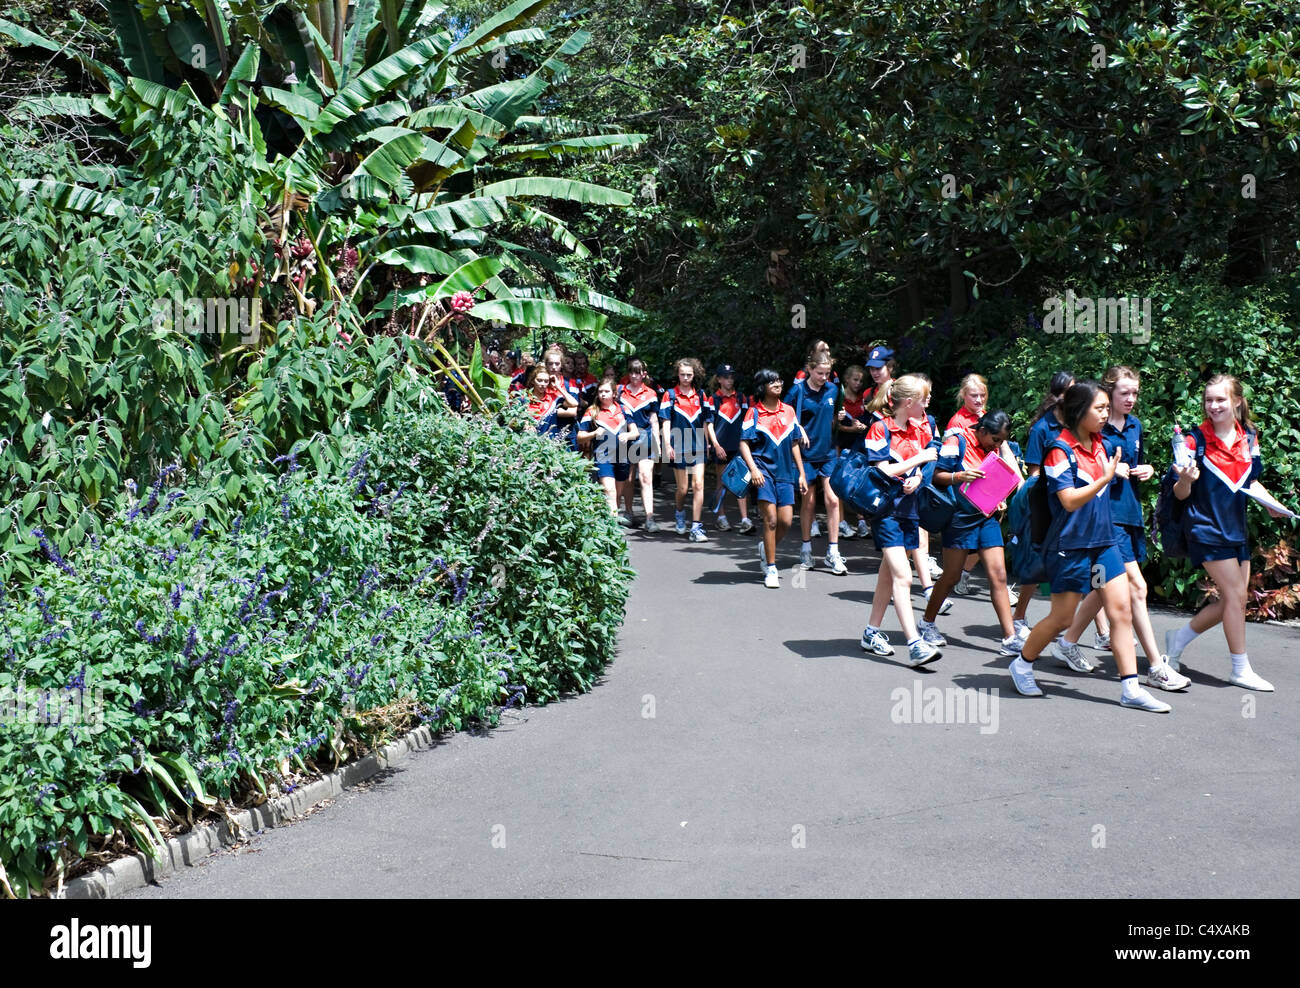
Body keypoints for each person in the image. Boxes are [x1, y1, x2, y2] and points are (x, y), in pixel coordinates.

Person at [1007, 380, 1171, 711]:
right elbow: (1067, 501)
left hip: (1104, 541)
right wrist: (1104, 478)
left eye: (1107, 408)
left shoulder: (1103, 445)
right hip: (1070, 544)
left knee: (1121, 611)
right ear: (1080, 411)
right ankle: (1022, 663)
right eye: (1100, 408)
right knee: (1063, 618)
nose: (1105, 414)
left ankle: (1131, 688)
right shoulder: (1059, 449)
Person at [1047, 368, 1190, 688]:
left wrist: (1149, 469)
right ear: (1108, 395)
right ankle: (1156, 667)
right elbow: (1084, 466)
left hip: (1130, 515)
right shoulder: (1096, 432)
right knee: (1136, 588)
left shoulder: (1136, 425)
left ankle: (1067, 644)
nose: (1131, 399)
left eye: (1135, 393)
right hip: (1106, 519)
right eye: (1124, 393)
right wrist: (1112, 470)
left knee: (1105, 588)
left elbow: (1142, 460)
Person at [1164, 374, 1289, 691]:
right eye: (1209, 400)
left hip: (1236, 528)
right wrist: (1186, 481)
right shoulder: (1194, 441)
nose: (1213, 405)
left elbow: (1250, 482)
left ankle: (1176, 640)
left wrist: (1271, 504)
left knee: (1236, 599)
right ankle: (1240, 668)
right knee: (1234, 596)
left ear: (1236, 401)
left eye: (1220, 399)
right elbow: (1179, 494)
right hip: (1204, 527)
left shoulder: (1249, 436)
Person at [917, 410, 1022, 656]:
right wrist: (959, 476)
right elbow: (936, 477)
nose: (997, 445)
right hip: (959, 519)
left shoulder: (992, 448)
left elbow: (990, 481)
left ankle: (1009, 638)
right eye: (994, 439)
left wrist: (999, 499)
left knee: (998, 576)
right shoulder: (957, 441)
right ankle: (927, 623)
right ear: (982, 430)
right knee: (951, 576)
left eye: (1001, 441)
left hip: (987, 518)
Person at [858, 375, 943, 666]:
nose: (928, 404)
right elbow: (882, 471)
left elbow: (918, 471)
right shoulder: (879, 428)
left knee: (887, 574)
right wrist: (917, 461)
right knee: (904, 577)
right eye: (924, 399)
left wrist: (917, 478)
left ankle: (871, 632)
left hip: (909, 510)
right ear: (909, 403)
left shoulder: (920, 429)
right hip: (885, 512)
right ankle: (915, 643)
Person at [739, 369, 809, 588]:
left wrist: (802, 474)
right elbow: (744, 444)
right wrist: (754, 470)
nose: (778, 383)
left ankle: (765, 547)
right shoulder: (754, 413)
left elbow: (796, 443)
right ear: (763, 387)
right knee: (770, 519)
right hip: (763, 472)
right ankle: (771, 567)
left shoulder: (789, 411)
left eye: (779, 380)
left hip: (786, 473)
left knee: (786, 521)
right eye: (772, 381)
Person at [786, 355, 848, 574]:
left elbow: (835, 415)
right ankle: (806, 548)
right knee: (809, 503)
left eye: (827, 373)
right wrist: (798, 427)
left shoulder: (833, 390)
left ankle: (833, 552)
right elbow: (783, 416)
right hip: (805, 455)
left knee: (832, 500)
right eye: (819, 373)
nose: (823, 377)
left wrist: (839, 417)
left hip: (829, 452)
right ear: (809, 370)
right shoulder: (797, 392)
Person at [659, 357, 716, 542]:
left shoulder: (701, 395)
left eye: (689, 375)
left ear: (694, 375)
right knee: (683, 489)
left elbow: (707, 423)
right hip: (679, 444)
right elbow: (666, 422)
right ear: (677, 374)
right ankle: (680, 512)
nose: (685, 378)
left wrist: (710, 444)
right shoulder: (670, 395)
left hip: (698, 444)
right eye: (682, 374)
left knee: (698, 485)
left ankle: (697, 527)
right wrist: (667, 445)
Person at [578, 381, 639, 521]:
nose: (603, 394)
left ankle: (610, 524)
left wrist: (628, 435)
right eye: (600, 392)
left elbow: (635, 432)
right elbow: (580, 437)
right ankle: (613, 528)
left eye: (606, 391)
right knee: (609, 491)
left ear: (614, 394)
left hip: (623, 457)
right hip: (603, 457)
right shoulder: (592, 411)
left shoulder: (624, 410)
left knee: (617, 494)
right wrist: (593, 434)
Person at [709, 363, 754, 534]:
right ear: (719, 379)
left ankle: (744, 519)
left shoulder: (741, 398)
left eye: (731, 377)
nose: (729, 380)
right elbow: (709, 425)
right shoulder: (714, 399)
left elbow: (747, 422)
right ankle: (721, 518)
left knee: (741, 482)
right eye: (726, 377)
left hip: (738, 447)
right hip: (721, 447)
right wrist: (716, 445)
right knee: (722, 482)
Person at [619, 358, 661, 532]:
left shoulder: (651, 393)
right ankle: (628, 512)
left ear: (644, 374)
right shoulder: (620, 392)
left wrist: (658, 443)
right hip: (626, 438)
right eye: (632, 372)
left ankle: (649, 518)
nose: (635, 376)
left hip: (645, 438)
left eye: (638, 372)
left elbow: (654, 419)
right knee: (628, 478)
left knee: (645, 477)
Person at [834, 363, 873, 539]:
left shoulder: (863, 399)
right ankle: (841, 522)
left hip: (858, 444)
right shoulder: (839, 398)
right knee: (841, 481)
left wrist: (864, 427)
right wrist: (851, 429)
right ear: (847, 379)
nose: (858, 383)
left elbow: (867, 420)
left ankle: (861, 521)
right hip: (841, 443)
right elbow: (835, 425)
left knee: (858, 480)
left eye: (860, 380)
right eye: (855, 379)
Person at [521, 366, 575, 437]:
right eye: (539, 380)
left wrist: (558, 387)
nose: (543, 384)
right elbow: (513, 421)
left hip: (549, 444)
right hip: (529, 442)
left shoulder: (553, 398)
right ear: (532, 381)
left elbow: (574, 403)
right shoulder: (524, 399)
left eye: (546, 381)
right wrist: (525, 423)